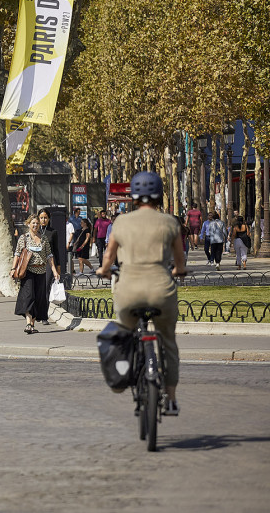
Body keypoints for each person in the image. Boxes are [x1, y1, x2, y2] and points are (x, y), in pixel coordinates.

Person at [97, 171, 186, 416]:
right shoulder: (170, 222)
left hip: (128, 291)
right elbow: (180, 261)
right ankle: (171, 398)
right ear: (159, 194)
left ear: (133, 196)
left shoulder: (121, 222)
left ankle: (126, 374)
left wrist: (104, 271)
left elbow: (108, 256)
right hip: (161, 290)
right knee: (168, 342)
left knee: (124, 335)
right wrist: (179, 270)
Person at [12, 214, 60, 334]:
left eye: (37, 223)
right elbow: (17, 254)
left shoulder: (43, 239)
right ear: (28, 224)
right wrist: (13, 268)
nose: (35, 225)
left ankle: (32, 324)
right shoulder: (24, 238)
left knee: (39, 298)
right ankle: (28, 323)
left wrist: (54, 271)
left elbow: (49, 255)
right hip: (28, 272)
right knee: (29, 296)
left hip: (41, 271)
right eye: (33, 223)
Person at [37, 208, 61, 324]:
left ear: (49, 219)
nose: (43, 220)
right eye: (41, 218)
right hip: (36, 263)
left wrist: (58, 266)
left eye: (45, 218)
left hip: (49, 264)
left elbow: (56, 250)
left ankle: (44, 316)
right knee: (37, 289)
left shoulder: (53, 232)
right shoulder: (35, 231)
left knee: (45, 288)